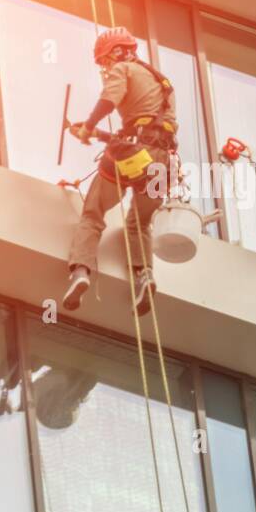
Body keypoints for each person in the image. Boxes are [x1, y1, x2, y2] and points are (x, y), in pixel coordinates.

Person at [62, 26, 178, 315]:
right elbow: (145, 130)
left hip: (134, 154)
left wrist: (88, 126)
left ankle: (81, 271)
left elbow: (109, 101)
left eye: (104, 61)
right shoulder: (162, 83)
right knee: (139, 222)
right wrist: (97, 134)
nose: (105, 67)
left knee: (93, 212)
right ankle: (144, 275)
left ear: (115, 52)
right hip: (162, 164)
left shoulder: (123, 69)